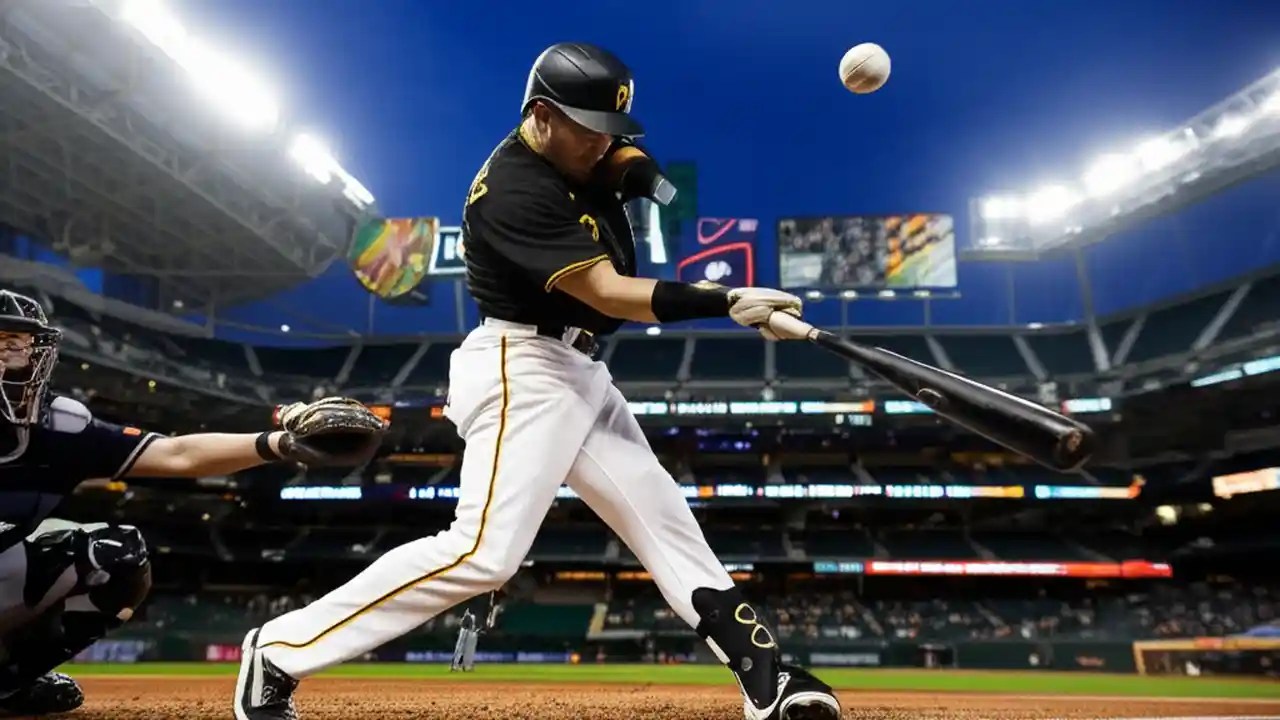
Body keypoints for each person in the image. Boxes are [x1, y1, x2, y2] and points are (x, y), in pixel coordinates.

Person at [233, 42, 838, 720]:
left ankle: (768, 678)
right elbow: (608, 292)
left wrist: (650, 181)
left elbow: (628, 162)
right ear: (542, 116)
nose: (603, 145)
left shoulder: (576, 145)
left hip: (577, 370)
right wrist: (725, 302)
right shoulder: (513, 192)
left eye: (614, 129)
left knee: (665, 522)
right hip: (522, 365)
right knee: (484, 554)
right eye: (590, 130)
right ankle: (278, 649)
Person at [0, 289, 378, 716]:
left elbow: (177, 454)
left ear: (36, 354)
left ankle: (10, 683)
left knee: (118, 555)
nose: (5, 355)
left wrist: (282, 444)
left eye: (15, 343)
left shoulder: (62, 426)